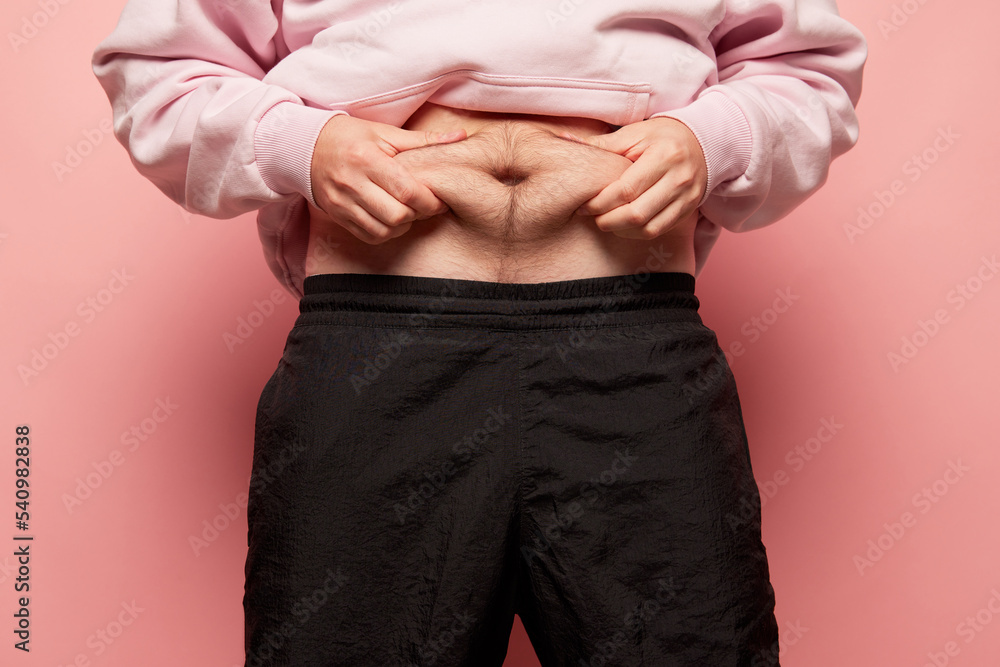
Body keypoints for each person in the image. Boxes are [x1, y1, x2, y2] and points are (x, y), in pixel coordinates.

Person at [92, 2, 867, 665]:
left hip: (636, 351)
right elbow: (157, 74)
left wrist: (714, 138)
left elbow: (810, 74)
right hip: (376, 360)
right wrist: (302, 143)